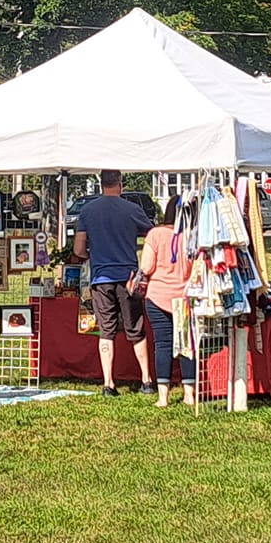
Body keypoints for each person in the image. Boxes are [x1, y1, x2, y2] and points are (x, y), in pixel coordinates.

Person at [72, 170, 155, 397]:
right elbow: (153, 236)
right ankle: (147, 380)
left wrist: (95, 255)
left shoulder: (88, 211)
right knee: (135, 328)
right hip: (127, 278)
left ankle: (108, 383)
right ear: (120, 183)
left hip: (101, 278)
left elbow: (78, 249)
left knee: (106, 331)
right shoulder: (132, 209)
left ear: (100, 184)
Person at [139, 200, 199, 407]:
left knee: (162, 345)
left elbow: (146, 267)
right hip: (184, 297)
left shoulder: (155, 234)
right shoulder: (194, 236)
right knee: (186, 346)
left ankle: (163, 397)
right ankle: (189, 394)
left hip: (157, 296)